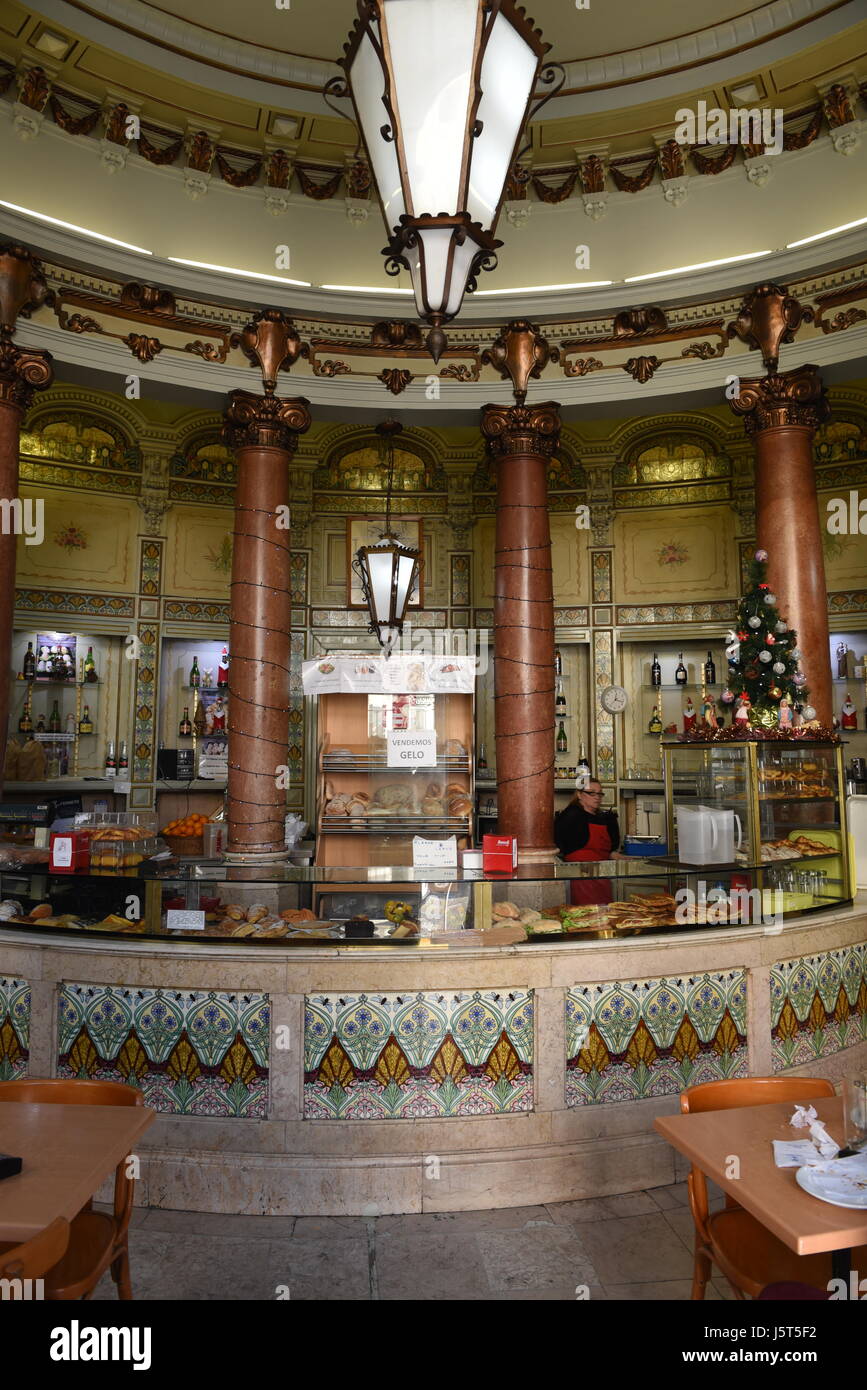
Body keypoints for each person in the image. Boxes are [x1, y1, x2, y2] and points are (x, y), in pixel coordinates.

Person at [554, 777, 627, 905]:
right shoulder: (570, 816)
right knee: (586, 916)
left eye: (599, 793)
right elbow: (562, 847)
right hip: (580, 876)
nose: (597, 797)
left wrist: (615, 855)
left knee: (605, 915)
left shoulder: (605, 818)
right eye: (592, 793)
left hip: (602, 874)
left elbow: (607, 849)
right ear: (579, 795)